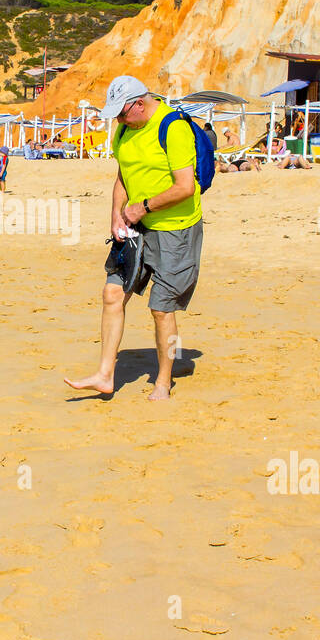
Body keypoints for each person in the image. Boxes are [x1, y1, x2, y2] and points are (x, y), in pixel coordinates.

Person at [65, 75, 203, 401]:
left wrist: (142, 208)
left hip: (176, 229)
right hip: (136, 226)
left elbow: (185, 187)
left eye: (122, 114)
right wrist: (117, 213)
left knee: (161, 308)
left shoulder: (173, 128)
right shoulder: (126, 130)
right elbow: (123, 176)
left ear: (139, 104)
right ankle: (104, 375)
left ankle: (163, 383)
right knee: (112, 294)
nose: (118, 121)